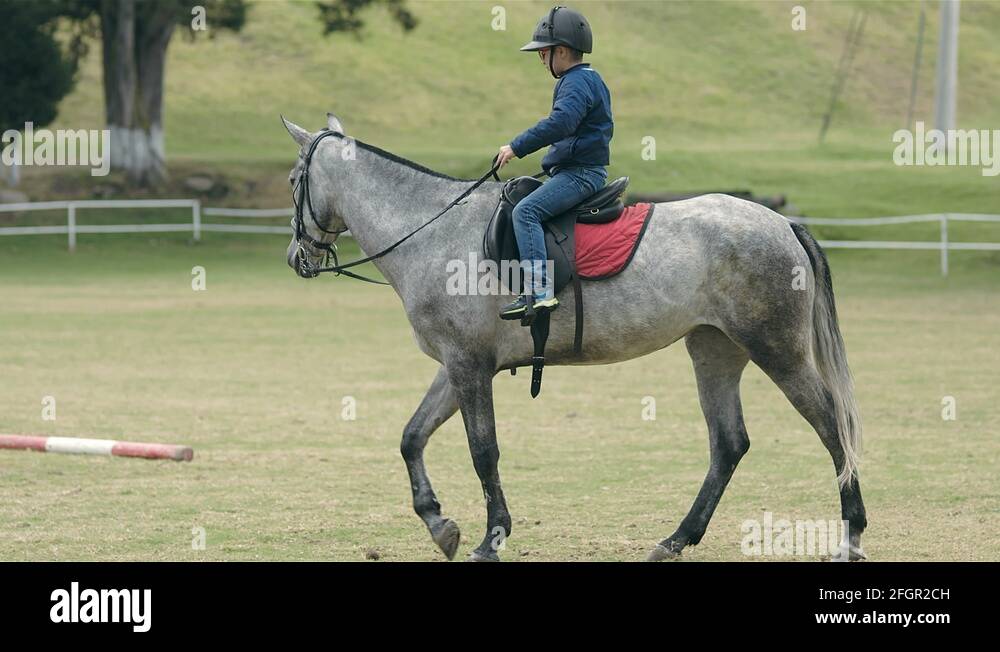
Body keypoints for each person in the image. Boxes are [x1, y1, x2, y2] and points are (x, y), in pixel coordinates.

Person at [496, 5, 614, 320]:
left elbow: (560, 124)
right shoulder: (587, 78)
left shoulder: (576, 82)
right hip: (575, 170)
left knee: (526, 212)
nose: (540, 59)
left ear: (560, 51)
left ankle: (538, 292)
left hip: (580, 175)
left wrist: (516, 146)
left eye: (542, 52)